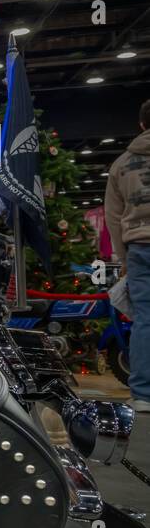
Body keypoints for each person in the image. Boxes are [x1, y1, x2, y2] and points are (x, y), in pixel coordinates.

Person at [103, 98, 150, 413]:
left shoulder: (121, 165)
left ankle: (144, 394)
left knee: (145, 319)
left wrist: (122, 258)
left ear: (142, 124)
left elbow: (113, 217)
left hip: (139, 246)